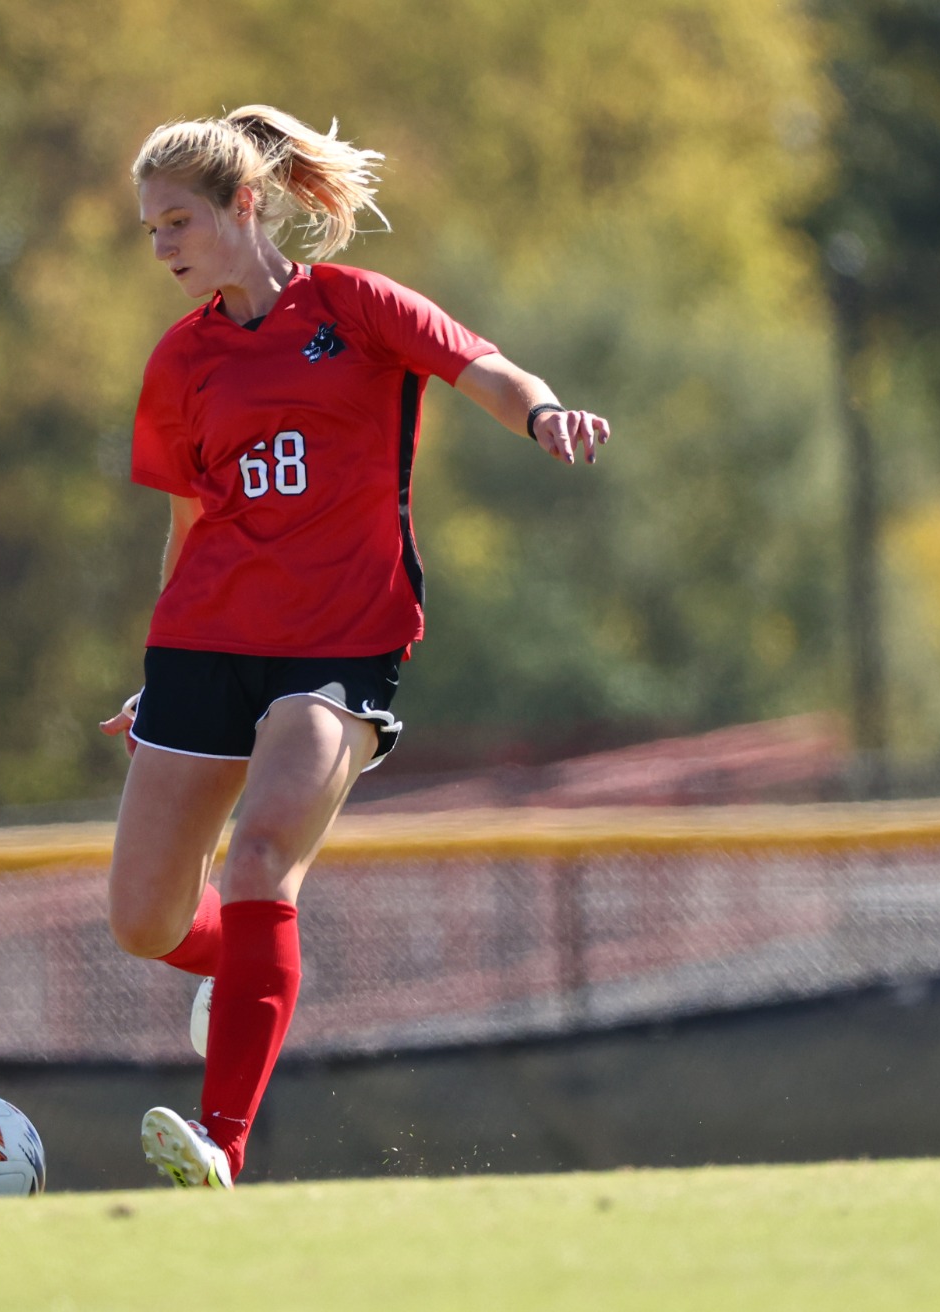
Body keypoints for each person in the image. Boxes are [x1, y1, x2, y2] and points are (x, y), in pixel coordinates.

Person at [101, 106, 610, 1189]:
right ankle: (245, 956)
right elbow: (188, 524)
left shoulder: (352, 307)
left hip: (337, 643)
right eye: (149, 230)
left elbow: (484, 369)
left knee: (259, 861)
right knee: (142, 919)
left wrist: (547, 413)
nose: (162, 248)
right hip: (204, 641)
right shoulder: (179, 360)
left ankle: (220, 1143)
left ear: (245, 205)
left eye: (177, 221)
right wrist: (153, 681)